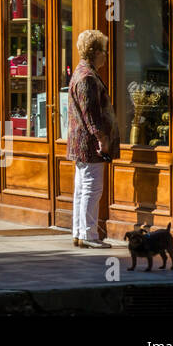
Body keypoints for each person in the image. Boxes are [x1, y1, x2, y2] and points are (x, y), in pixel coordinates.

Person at [67, 29, 118, 248]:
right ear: (95, 51)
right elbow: (91, 114)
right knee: (91, 188)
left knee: (82, 188)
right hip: (89, 144)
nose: (106, 56)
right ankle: (88, 235)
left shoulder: (81, 72)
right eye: (104, 51)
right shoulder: (87, 77)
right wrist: (102, 139)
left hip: (81, 143)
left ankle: (80, 233)